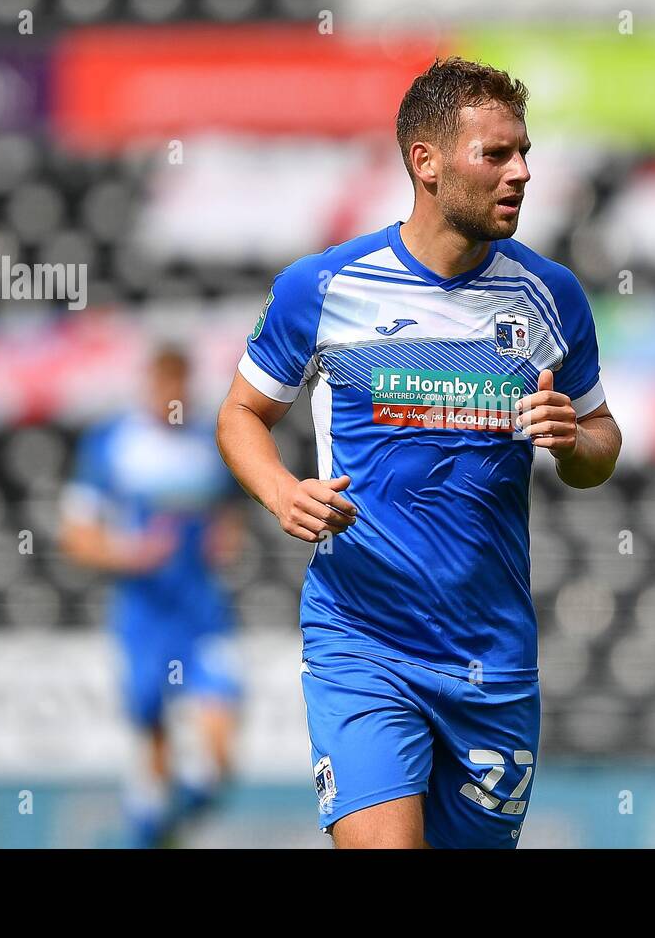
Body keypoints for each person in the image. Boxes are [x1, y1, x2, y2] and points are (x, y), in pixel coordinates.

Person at [216, 56, 621, 848]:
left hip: (490, 659)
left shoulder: (551, 296)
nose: (523, 174)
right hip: (361, 636)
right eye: (496, 155)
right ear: (425, 162)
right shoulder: (325, 286)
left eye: (525, 152)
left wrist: (575, 438)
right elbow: (240, 414)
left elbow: (602, 443)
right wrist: (279, 491)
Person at [60, 344, 246, 847]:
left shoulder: (211, 440)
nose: (173, 399)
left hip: (202, 613)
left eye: (180, 388)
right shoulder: (111, 444)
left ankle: (161, 820)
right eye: (164, 387)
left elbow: (230, 507)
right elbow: (76, 536)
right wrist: (132, 554)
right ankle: (150, 826)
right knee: (154, 739)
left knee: (218, 760)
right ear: (149, 385)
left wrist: (224, 535)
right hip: (143, 616)